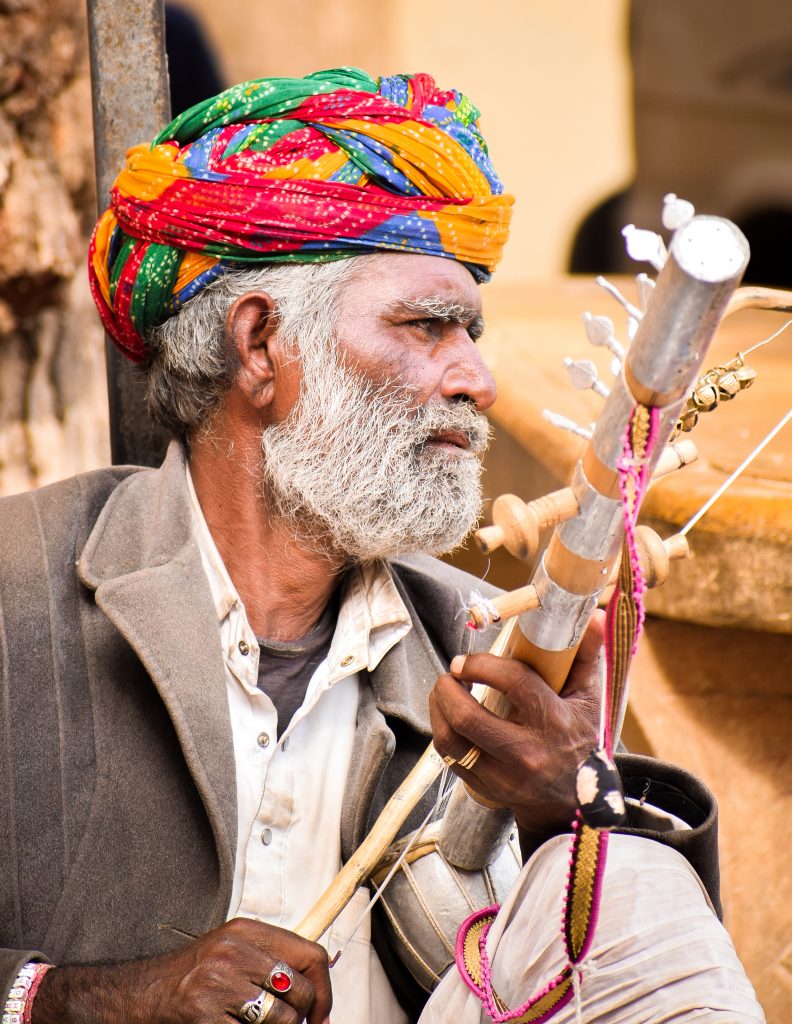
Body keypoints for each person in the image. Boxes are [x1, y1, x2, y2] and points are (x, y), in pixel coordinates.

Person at [0, 69, 763, 1024]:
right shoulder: (20, 587)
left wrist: (575, 811)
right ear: (260, 345)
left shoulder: (482, 648)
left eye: (471, 332)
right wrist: (89, 1001)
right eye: (426, 326)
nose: (477, 380)